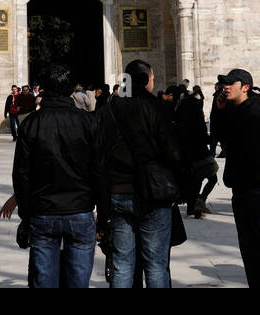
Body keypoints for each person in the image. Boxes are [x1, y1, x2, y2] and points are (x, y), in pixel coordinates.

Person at [13, 66, 102, 287]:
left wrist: (25, 215)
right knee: (78, 282)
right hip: (80, 210)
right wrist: (103, 213)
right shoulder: (88, 122)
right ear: (73, 89)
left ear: (42, 89)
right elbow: (99, 171)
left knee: (44, 281)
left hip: (43, 212)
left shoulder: (32, 123)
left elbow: (22, 174)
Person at [101, 58, 184, 287]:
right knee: (156, 265)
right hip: (153, 194)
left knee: (122, 264)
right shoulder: (156, 108)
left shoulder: (108, 110)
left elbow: (99, 154)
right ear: (147, 79)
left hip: (118, 192)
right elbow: (174, 153)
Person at [219, 69, 260, 287]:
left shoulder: (252, 113)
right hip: (243, 187)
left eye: (231, 83)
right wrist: (221, 110)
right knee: (248, 245)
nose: (226, 87)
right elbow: (221, 137)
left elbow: (248, 152)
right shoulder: (237, 110)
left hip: (252, 188)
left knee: (254, 246)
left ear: (245, 87)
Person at [174, 84, 213, 217]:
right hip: (200, 153)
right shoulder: (196, 118)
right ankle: (199, 202)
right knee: (209, 177)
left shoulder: (180, 117)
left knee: (195, 180)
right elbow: (203, 137)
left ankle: (194, 205)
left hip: (187, 154)